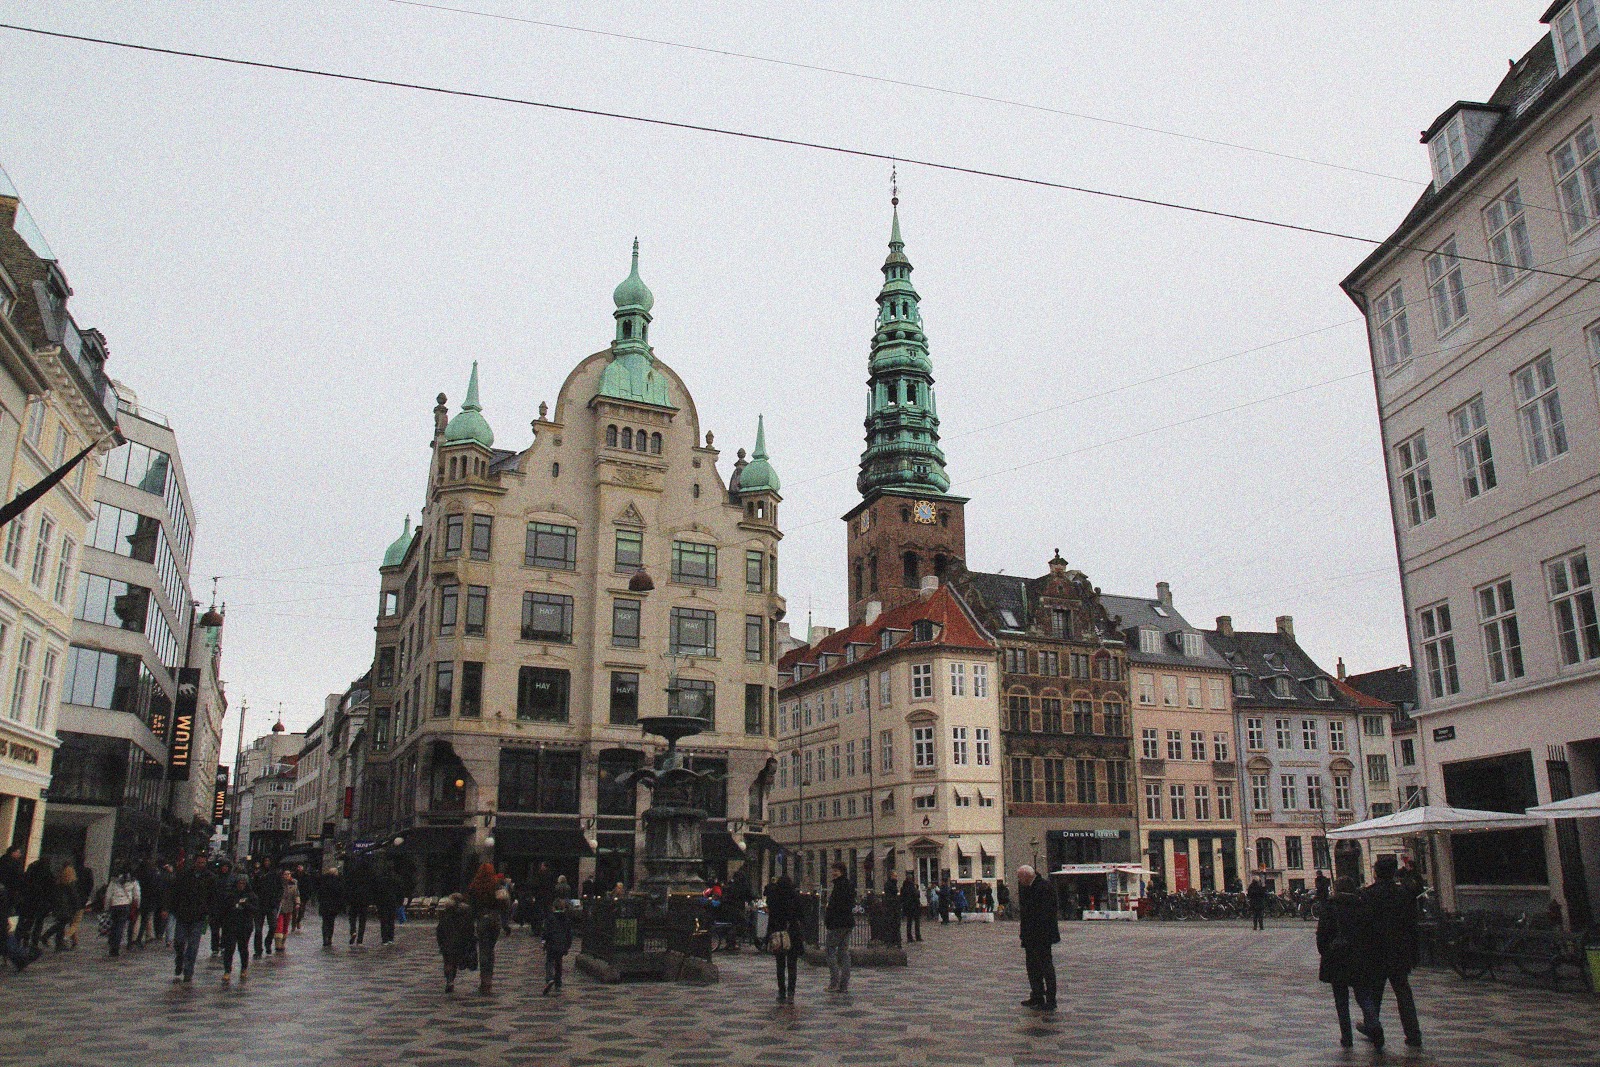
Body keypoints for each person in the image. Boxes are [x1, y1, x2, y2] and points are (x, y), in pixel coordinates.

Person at [1357, 855, 1423, 1050]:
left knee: (1375, 993)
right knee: (1403, 994)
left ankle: (1374, 1029)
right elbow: (1412, 923)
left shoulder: (1369, 895)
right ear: (1394, 873)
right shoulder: (1404, 893)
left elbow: (1364, 926)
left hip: (1376, 951)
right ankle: (1413, 1034)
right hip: (1399, 951)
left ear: (1377, 872)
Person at [1316, 876, 1369, 1047]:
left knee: (1341, 1000)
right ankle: (1374, 1025)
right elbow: (1370, 933)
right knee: (1363, 995)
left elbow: (1322, 936)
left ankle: (1347, 1037)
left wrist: (1326, 953)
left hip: (1337, 958)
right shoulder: (1362, 906)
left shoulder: (1330, 907)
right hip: (1358, 958)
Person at [1016, 864, 1059, 1010]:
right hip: (1030, 935)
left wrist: (1039, 931)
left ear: (1026, 876)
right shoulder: (1027, 888)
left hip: (1042, 935)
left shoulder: (1044, 887)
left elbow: (1048, 912)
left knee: (1046, 967)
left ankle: (1051, 999)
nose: (1018, 881)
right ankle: (1037, 995)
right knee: (1032, 967)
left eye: (1019, 877)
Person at [465, 863, 510, 994]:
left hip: (482, 919)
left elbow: (471, 906)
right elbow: (505, 904)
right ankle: (489, 980)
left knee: (484, 950)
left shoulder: (475, 886)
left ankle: (484, 981)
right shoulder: (496, 885)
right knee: (490, 949)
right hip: (495, 919)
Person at [169, 857, 212, 983]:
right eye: (199, 862)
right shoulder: (185, 875)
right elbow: (175, 892)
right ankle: (179, 959)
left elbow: (212, 897)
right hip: (183, 914)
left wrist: (208, 912)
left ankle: (188, 970)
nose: (201, 864)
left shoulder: (209, 877)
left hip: (198, 917)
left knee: (193, 945)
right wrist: (172, 908)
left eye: (203, 863)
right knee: (179, 941)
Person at [765, 873, 803, 1004]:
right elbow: (801, 916)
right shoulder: (795, 897)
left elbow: (771, 917)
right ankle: (791, 992)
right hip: (792, 933)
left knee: (780, 965)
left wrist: (768, 935)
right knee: (792, 965)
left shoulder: (775, 898)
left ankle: (782, 992)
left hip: (777, 933)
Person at [823, 861, 855, 994]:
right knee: (844, 953)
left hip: (838, 924)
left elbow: (834, 906)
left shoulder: (839, 886)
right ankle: (844, 984)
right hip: (848, 923)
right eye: (833, 870)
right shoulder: (849, 885)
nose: (833, 873)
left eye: (836, 870)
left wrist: (828, 920)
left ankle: (834, 983)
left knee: (830, 951)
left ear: (841, 871)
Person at [219, 873, 257, 985]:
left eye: (243, 883)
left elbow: (255, 910)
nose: (241, 885)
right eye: (240, 883)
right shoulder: (230, 895)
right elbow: (224, 909)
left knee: (243, 948)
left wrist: (246, 905)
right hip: (231, 925)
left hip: (245, 925)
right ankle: (227, 970)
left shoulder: (251, 895)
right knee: (229, 948)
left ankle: (244, 968)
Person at [434, 892, 475, 993]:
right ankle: (451, 980)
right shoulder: (466, 914)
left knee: (447, 962)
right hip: (459, 942)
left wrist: (440, 942)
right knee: (454, 962)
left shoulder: (445, 914)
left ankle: (449, 980)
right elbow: (470, 929)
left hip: (447, 941)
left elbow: (440, 929)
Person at [541, 897, 575, 995]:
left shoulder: (550, 919)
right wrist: (568, 945)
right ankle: (558, 981)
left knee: (549, 962)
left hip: (551, 944)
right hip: (562, 944)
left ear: (553, 907)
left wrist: (543, 941)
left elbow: (546, 931)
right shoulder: (566, 919)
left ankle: (549, 978)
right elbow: (569, 934)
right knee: (559, 962)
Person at [105, 867, 141, 957]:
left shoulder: (114, 881)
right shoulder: (133, 881)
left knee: (114, 925)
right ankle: (116, 947)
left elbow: (108, 895)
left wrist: (106, 907)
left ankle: (112, 944)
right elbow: (137, 895)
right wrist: (137, 905)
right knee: (120, 926)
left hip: (114, 904)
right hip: (125, 904)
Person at [41, 864, 79, 950]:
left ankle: (57, 942)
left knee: (61, 924)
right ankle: (51, 939)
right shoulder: (70, 884)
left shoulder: (59, 883)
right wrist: (76, 906)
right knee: (61, 924)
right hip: (66, 906)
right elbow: (73, 896)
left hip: (59, 905)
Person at [208, 860, 234, 955]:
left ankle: (223, 945)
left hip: (227, 908)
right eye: (223, 866)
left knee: (226, 929)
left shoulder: (232, 879)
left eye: (226, 866)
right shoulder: (215, 878)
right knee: (214, 929)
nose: (224, 868)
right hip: (215, 907)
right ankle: (215, 947)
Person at [317, 866, 345, 947]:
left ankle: (325, 938)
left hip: (324, 905)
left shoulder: (323, 881)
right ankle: (329, 938)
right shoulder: (338, 882)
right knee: (331, 922)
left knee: (325, 922)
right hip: (333, 906)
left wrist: (321, 901)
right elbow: (340, 894)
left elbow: (319, 893)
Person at [346, 857, 370, 946]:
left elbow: (347, 887)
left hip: (353, 900)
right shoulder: (367, 876)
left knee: (352, 918)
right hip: (364, 900)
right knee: (362, 920)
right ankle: (360, 940)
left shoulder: (352, 875)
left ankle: (353, 931)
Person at [274, 868, 299, 955]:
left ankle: (282, 943)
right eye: (285, 874)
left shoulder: (293, 884)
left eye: (288, 874)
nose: (287, 876)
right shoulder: (279, 884)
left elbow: (296, 894)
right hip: (280, 907)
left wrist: (297, 903)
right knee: (279, 925)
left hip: (289, 907)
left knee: (286, 925)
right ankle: (278, 944)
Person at [900, 875, 922, 942]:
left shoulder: (903, 887)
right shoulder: (912, 886)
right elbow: (917, 895)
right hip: (914, 906)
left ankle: (909, 937)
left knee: (909, 922)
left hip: (907, 907)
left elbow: (902, 897)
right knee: (916, 922)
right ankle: (917, 936)